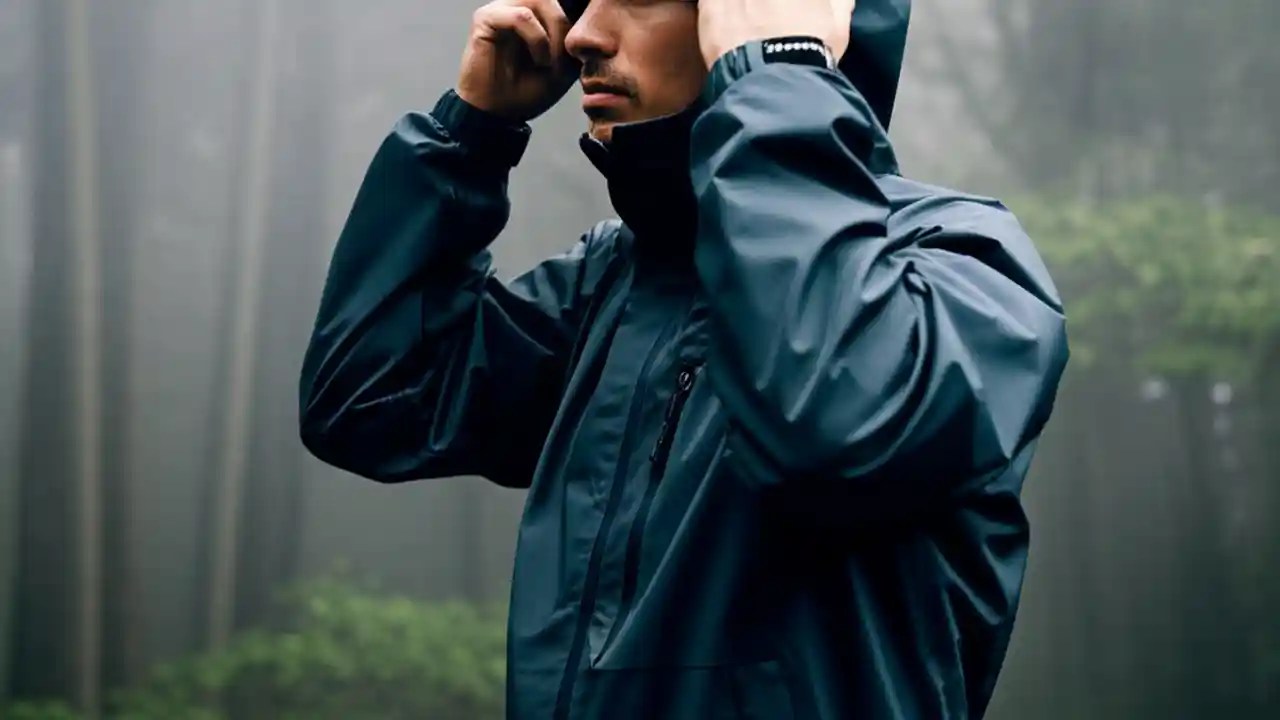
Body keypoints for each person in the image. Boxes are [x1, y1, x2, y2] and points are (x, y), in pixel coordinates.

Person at [298, 0, 1070, 717]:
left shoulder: (957, 262)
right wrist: (471, 134)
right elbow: (371, 399)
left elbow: (832, 420)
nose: (580, 37)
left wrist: (779, 75)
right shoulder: (617, 282)